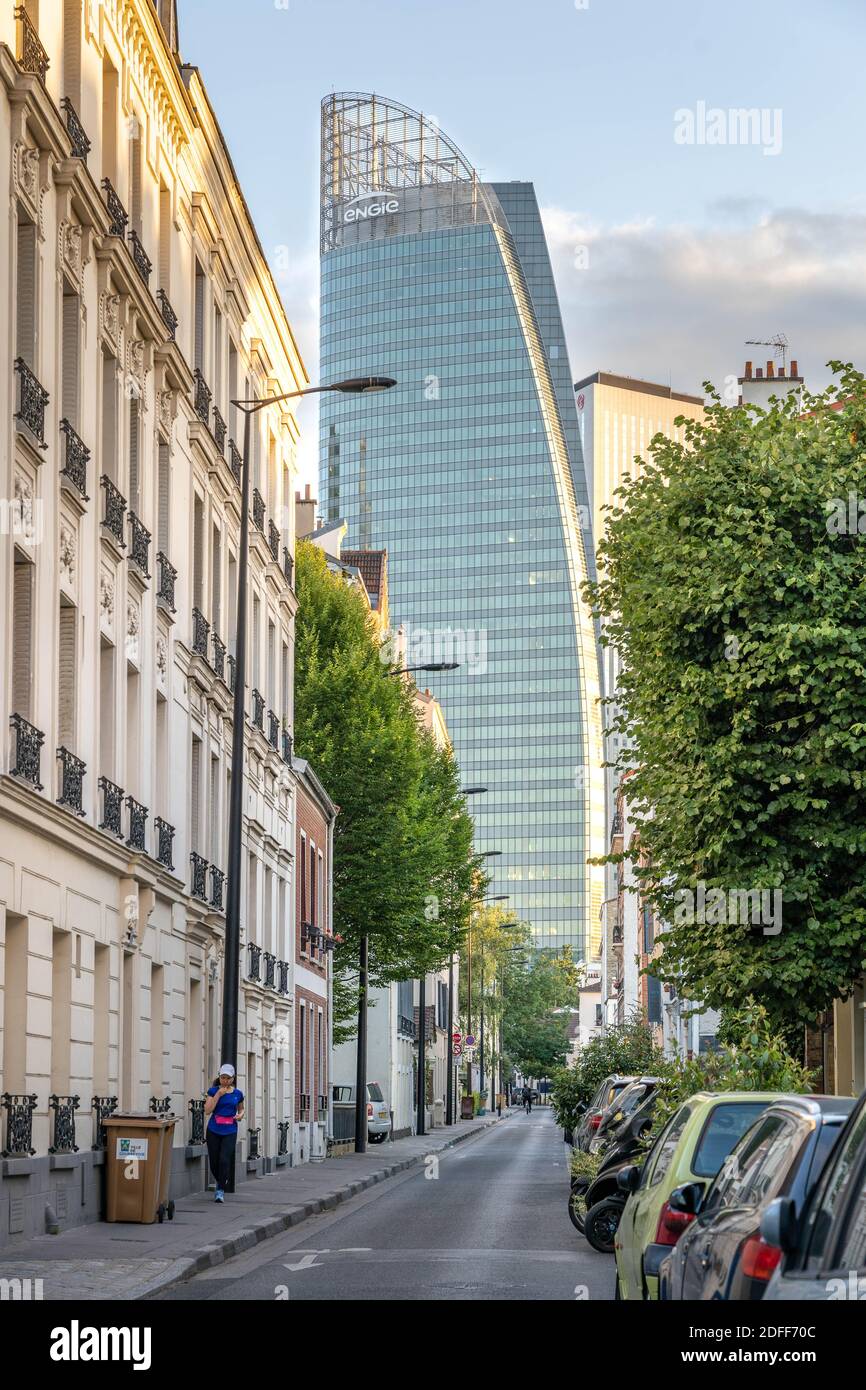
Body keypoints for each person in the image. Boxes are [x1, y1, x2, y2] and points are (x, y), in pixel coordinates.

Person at [204, 1064, 245, 1202]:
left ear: (232, 1079)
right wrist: (218, 1095)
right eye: (223, 1077)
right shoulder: (212, 1091)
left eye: (228, 1078)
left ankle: (220, 1189)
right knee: (214, 1162)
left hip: (230, 1130)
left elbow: (241, 1109)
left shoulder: (238, 1094)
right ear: (219, 1077)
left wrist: (240, 1115)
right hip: (214, 1129)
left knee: (224, 1159)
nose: (225, 1081)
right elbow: (208, 1110)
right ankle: (221, 1180)